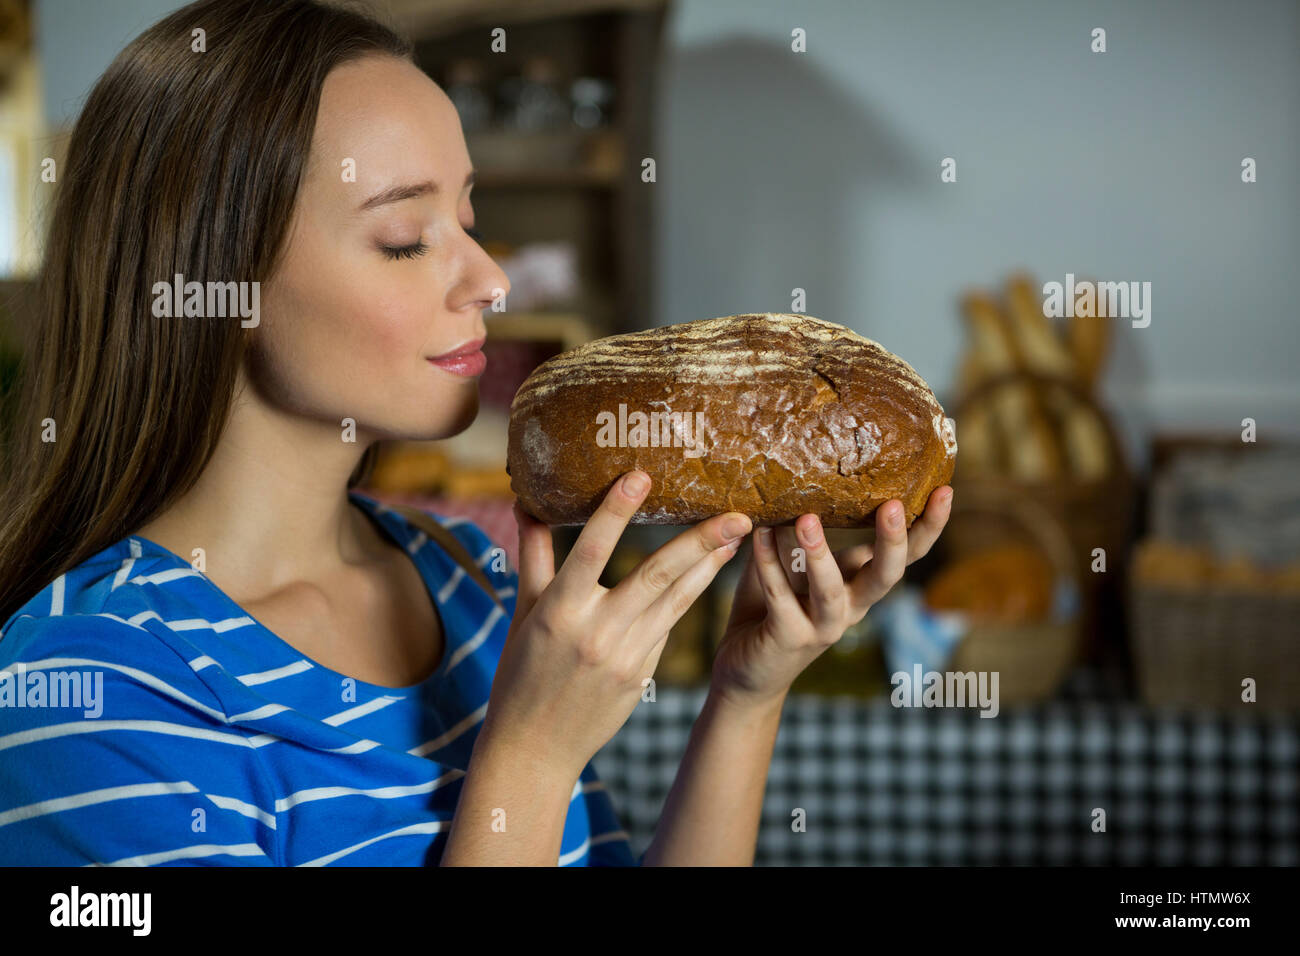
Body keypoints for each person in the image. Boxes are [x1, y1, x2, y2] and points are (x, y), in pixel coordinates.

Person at [0, 0, 951, 866]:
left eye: (469, 217)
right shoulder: (87, 691)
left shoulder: (465, 576)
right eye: (407, 238)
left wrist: (749, 693)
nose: (493, 280)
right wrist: (531, 759)